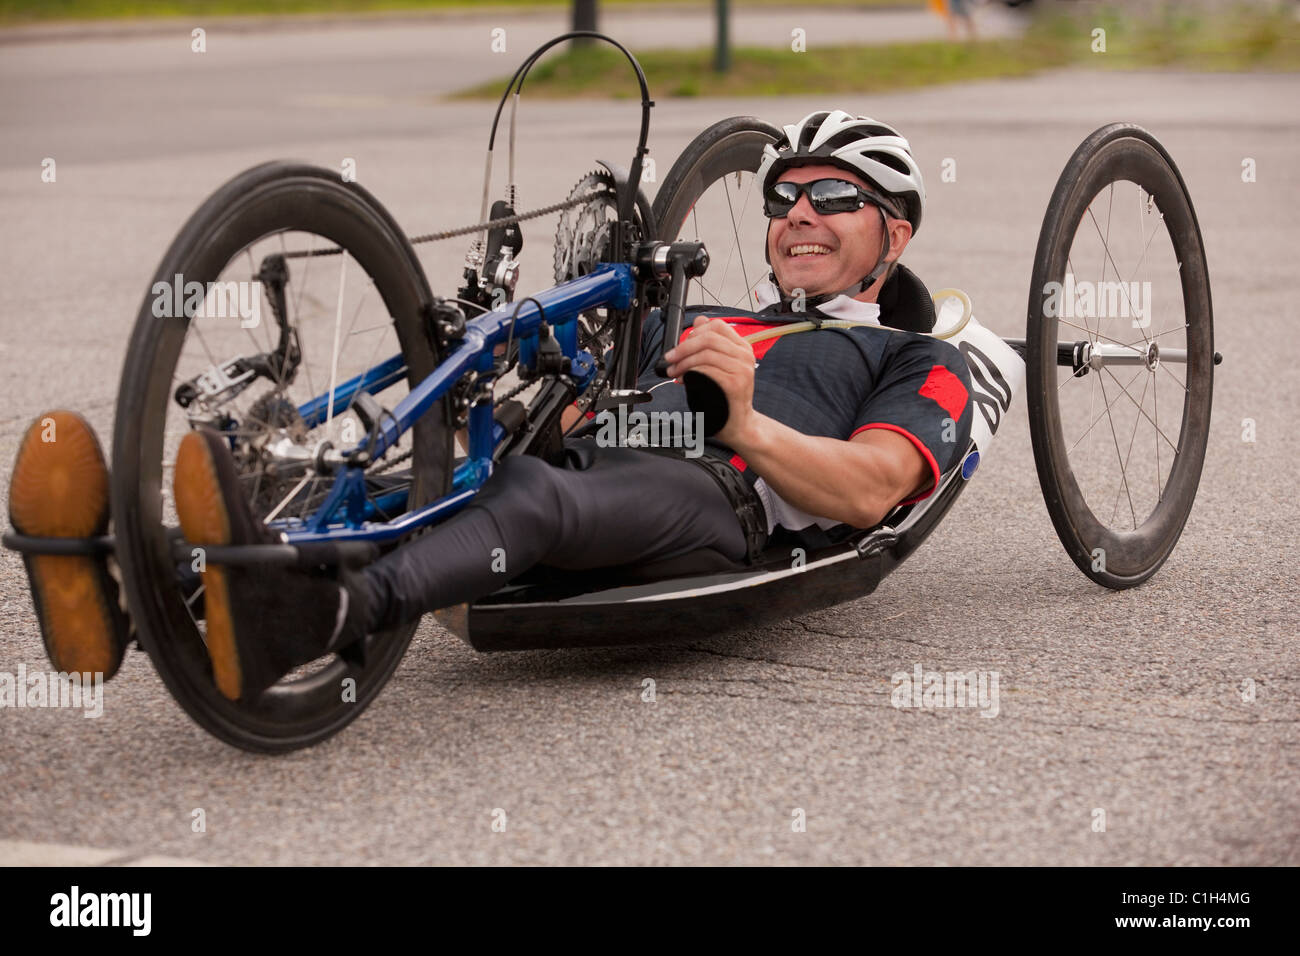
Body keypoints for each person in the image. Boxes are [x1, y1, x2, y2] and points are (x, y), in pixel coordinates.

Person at [8, 110, 973, 703]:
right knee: (404, 482)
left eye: (832, 195)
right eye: (785, 197)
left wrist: (748, 424)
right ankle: (134, 579)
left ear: (892, 234)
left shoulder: (913, 356)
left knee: (531, 497)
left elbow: (874, 489)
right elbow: (601, 410)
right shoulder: (718, 315)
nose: (798, 212)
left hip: (722, 497)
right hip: (617, 454)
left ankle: (323, 616)